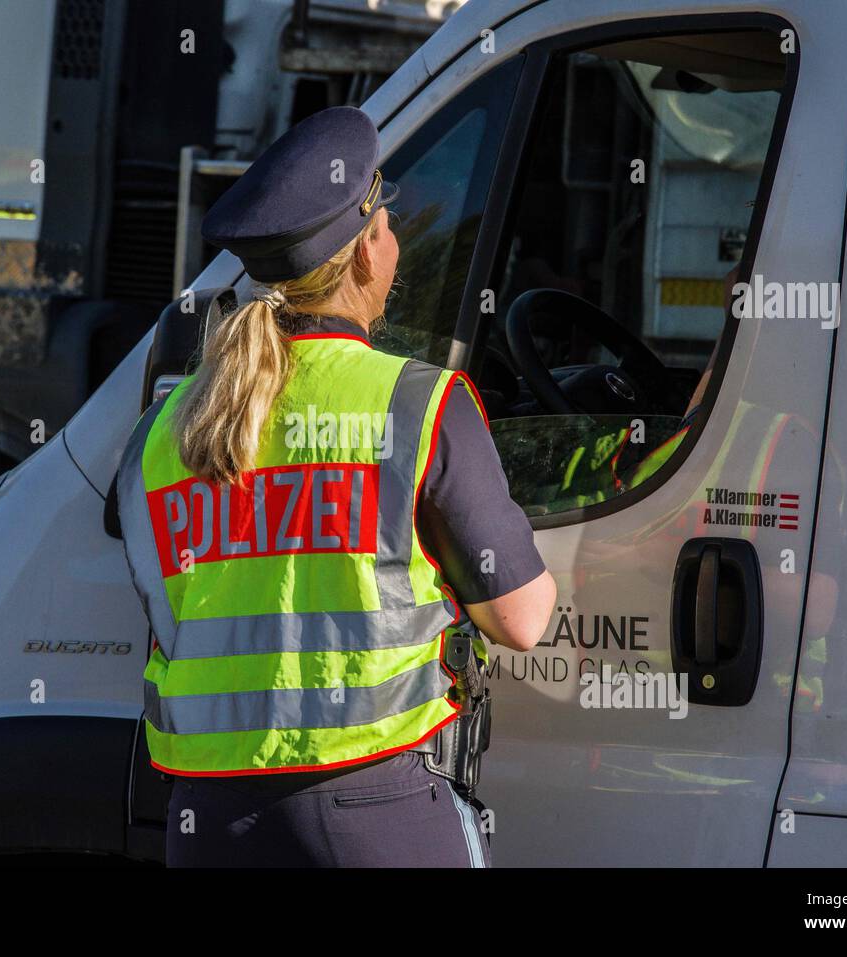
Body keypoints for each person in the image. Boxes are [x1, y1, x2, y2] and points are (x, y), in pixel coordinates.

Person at [116, 106, 556, 867]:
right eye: (385, 226)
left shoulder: (159, 434)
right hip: (371, 813)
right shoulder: (420, 405)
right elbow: (520, 619)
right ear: (363, 257)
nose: (393, 243)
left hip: (207, 822)